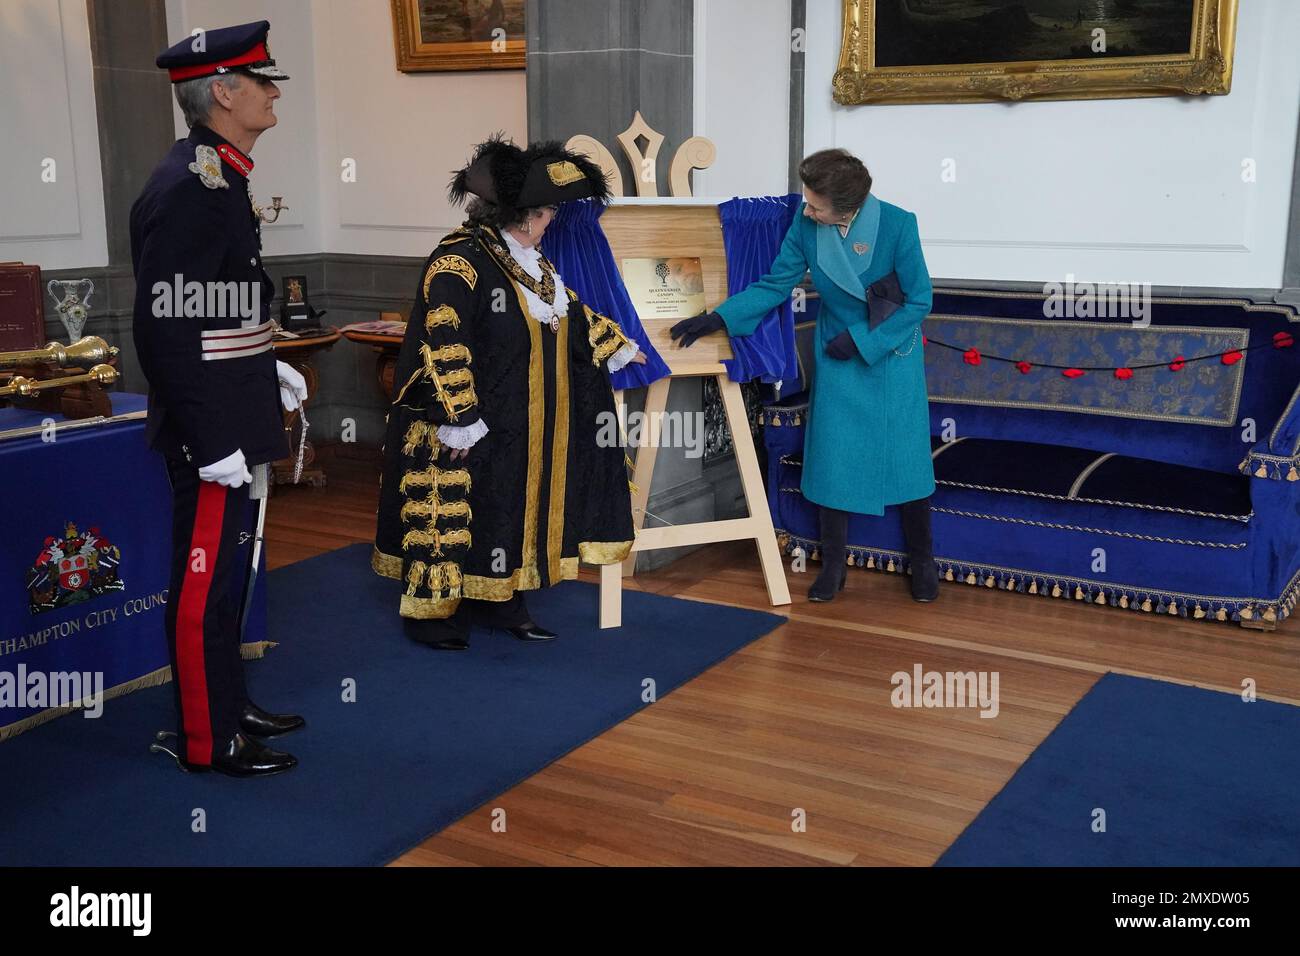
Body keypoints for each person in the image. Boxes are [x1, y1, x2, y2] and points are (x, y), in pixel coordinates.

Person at [372, 137, 645, 649]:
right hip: (464, 416)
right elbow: (441, 336)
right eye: (545, 215)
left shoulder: (526, 259)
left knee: (503, 505)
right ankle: (431, 616)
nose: (550, 224)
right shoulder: (459, 260)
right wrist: (458, 414)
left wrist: (615, 345)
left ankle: (499, 599)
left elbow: (566, 310)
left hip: (516, 415)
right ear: (523, 216)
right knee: (449, 513)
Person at [131, 20, 307, 776]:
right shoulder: (191, 186)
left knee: (232, 569)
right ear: (224, 93)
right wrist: (209, 440)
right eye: (262, 81)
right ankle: (207, 738)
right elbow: (164, 329)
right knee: (204, 577)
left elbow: (217, 307)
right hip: (212, 428)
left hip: (235, 403)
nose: (273, 92)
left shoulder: (220, 175)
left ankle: (230, 700)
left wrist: (263, 366)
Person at [670, 148, 939, 604]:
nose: (806, 209)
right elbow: (777, 284)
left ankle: (923, 560)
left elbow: (919, 301)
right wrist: (719, 317)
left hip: (888, 353)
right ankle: (834, 566)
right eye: (807, 200)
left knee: (905, 462)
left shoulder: (898, 225)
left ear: (848, 207)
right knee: (834, 459)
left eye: (815, 204)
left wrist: (864, 341)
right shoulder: (806, 221)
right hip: (836, 355)